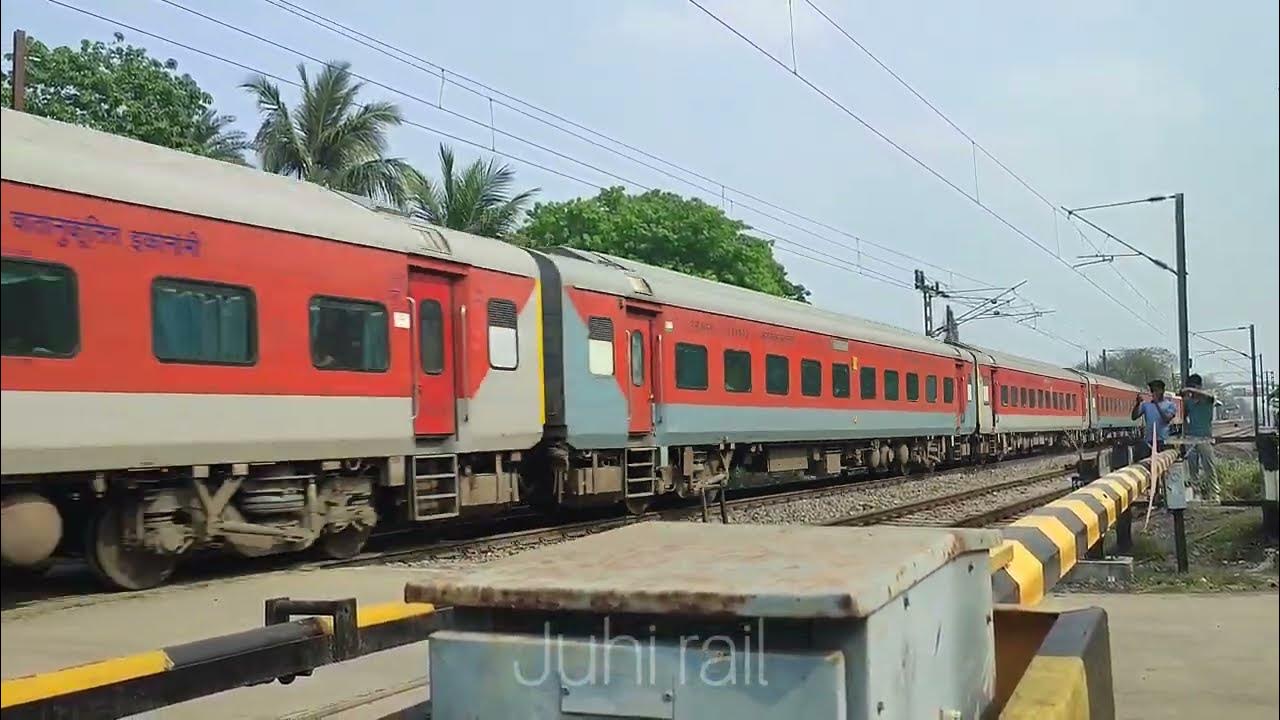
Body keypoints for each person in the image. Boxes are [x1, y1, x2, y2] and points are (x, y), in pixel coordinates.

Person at [1179, 373, 1218, 501]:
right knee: (1192, 467)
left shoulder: (1208, 399)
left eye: (1193, 388)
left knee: (1209, 467)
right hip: (1191, 437)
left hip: (1205, 437)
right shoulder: (1189, 403)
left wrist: (1190, 389)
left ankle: (1214, 494)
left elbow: (1212, 396)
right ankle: (1196, 493)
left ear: (1199, 387)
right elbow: (1183, 417)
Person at [1131, 379, 1177, 459]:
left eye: (1156, 390)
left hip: (1163, 441)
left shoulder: (1170, 405)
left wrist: (1157, 405)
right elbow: (1134, 417)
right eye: (1152, 391)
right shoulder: (1146, 405)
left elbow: (1166, 419)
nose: (1153, 393)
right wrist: (1138, 404)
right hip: (1149, 441)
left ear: (1162, 391)